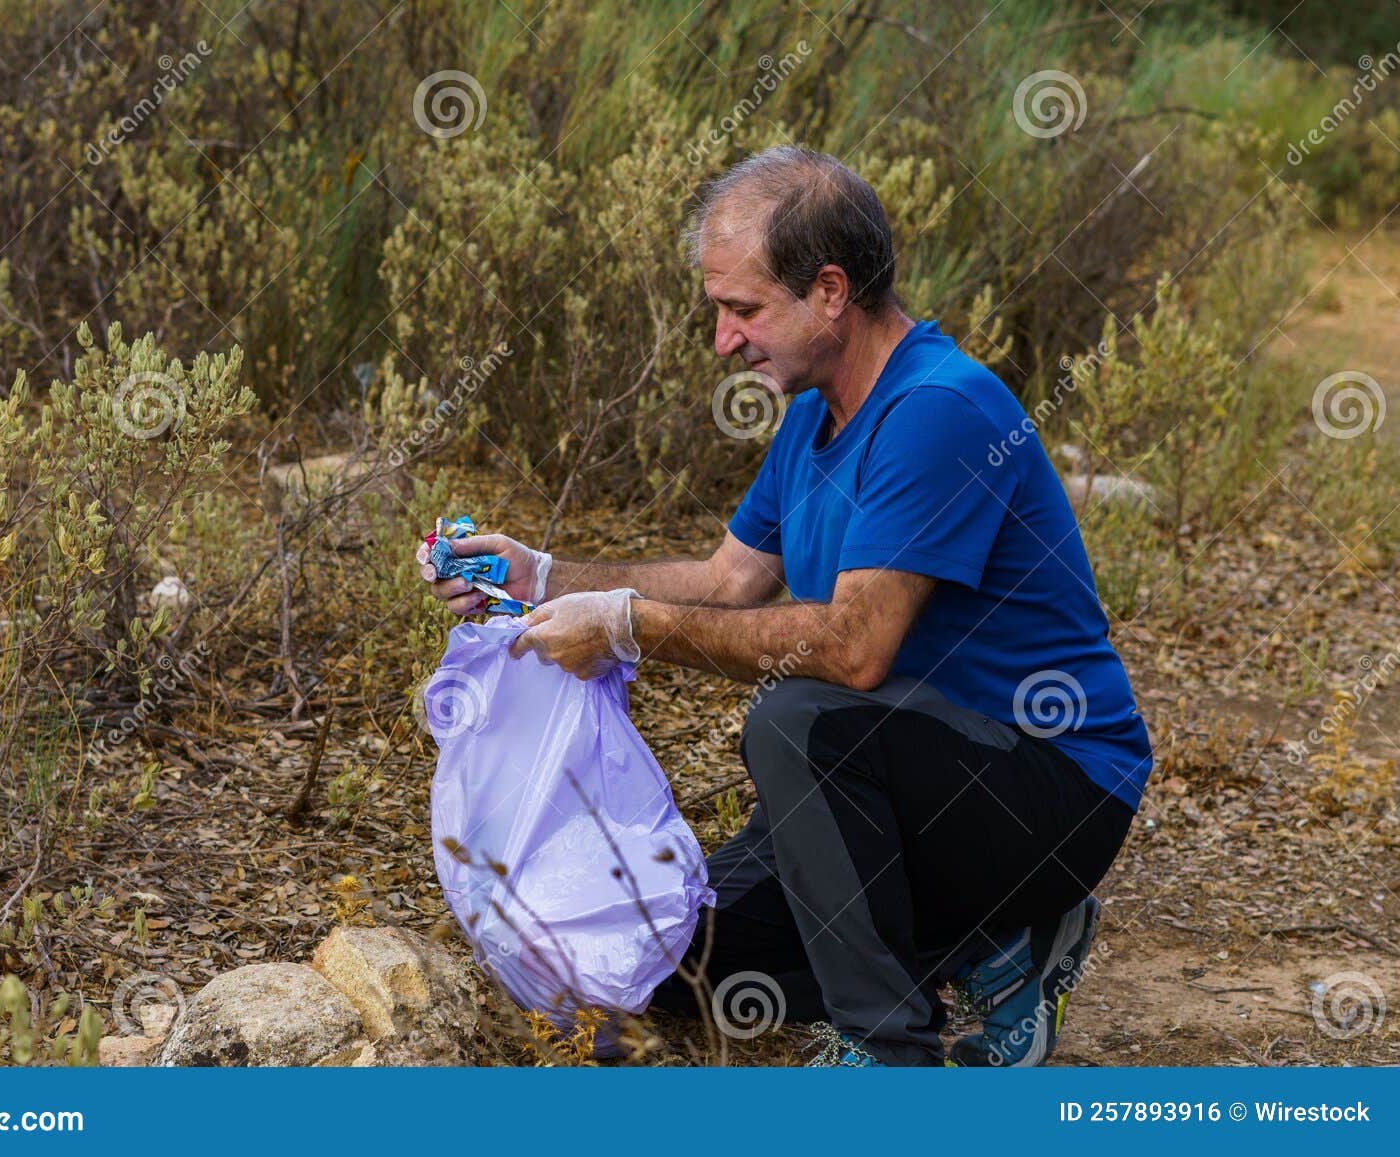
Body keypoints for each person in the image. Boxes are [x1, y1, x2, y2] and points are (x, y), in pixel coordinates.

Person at [417, 145, 1151, 1068]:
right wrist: (544, 575)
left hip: (1047, 788)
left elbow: (853, 651)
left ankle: (892, 1057)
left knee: (796, 718)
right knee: (667, 958)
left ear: (832, 291)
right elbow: (730, 580)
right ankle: (989, 945)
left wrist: (624, 626)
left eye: (743, 309)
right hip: (907, 777)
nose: (724, 339)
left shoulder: (939, 408)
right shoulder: (813, 410)